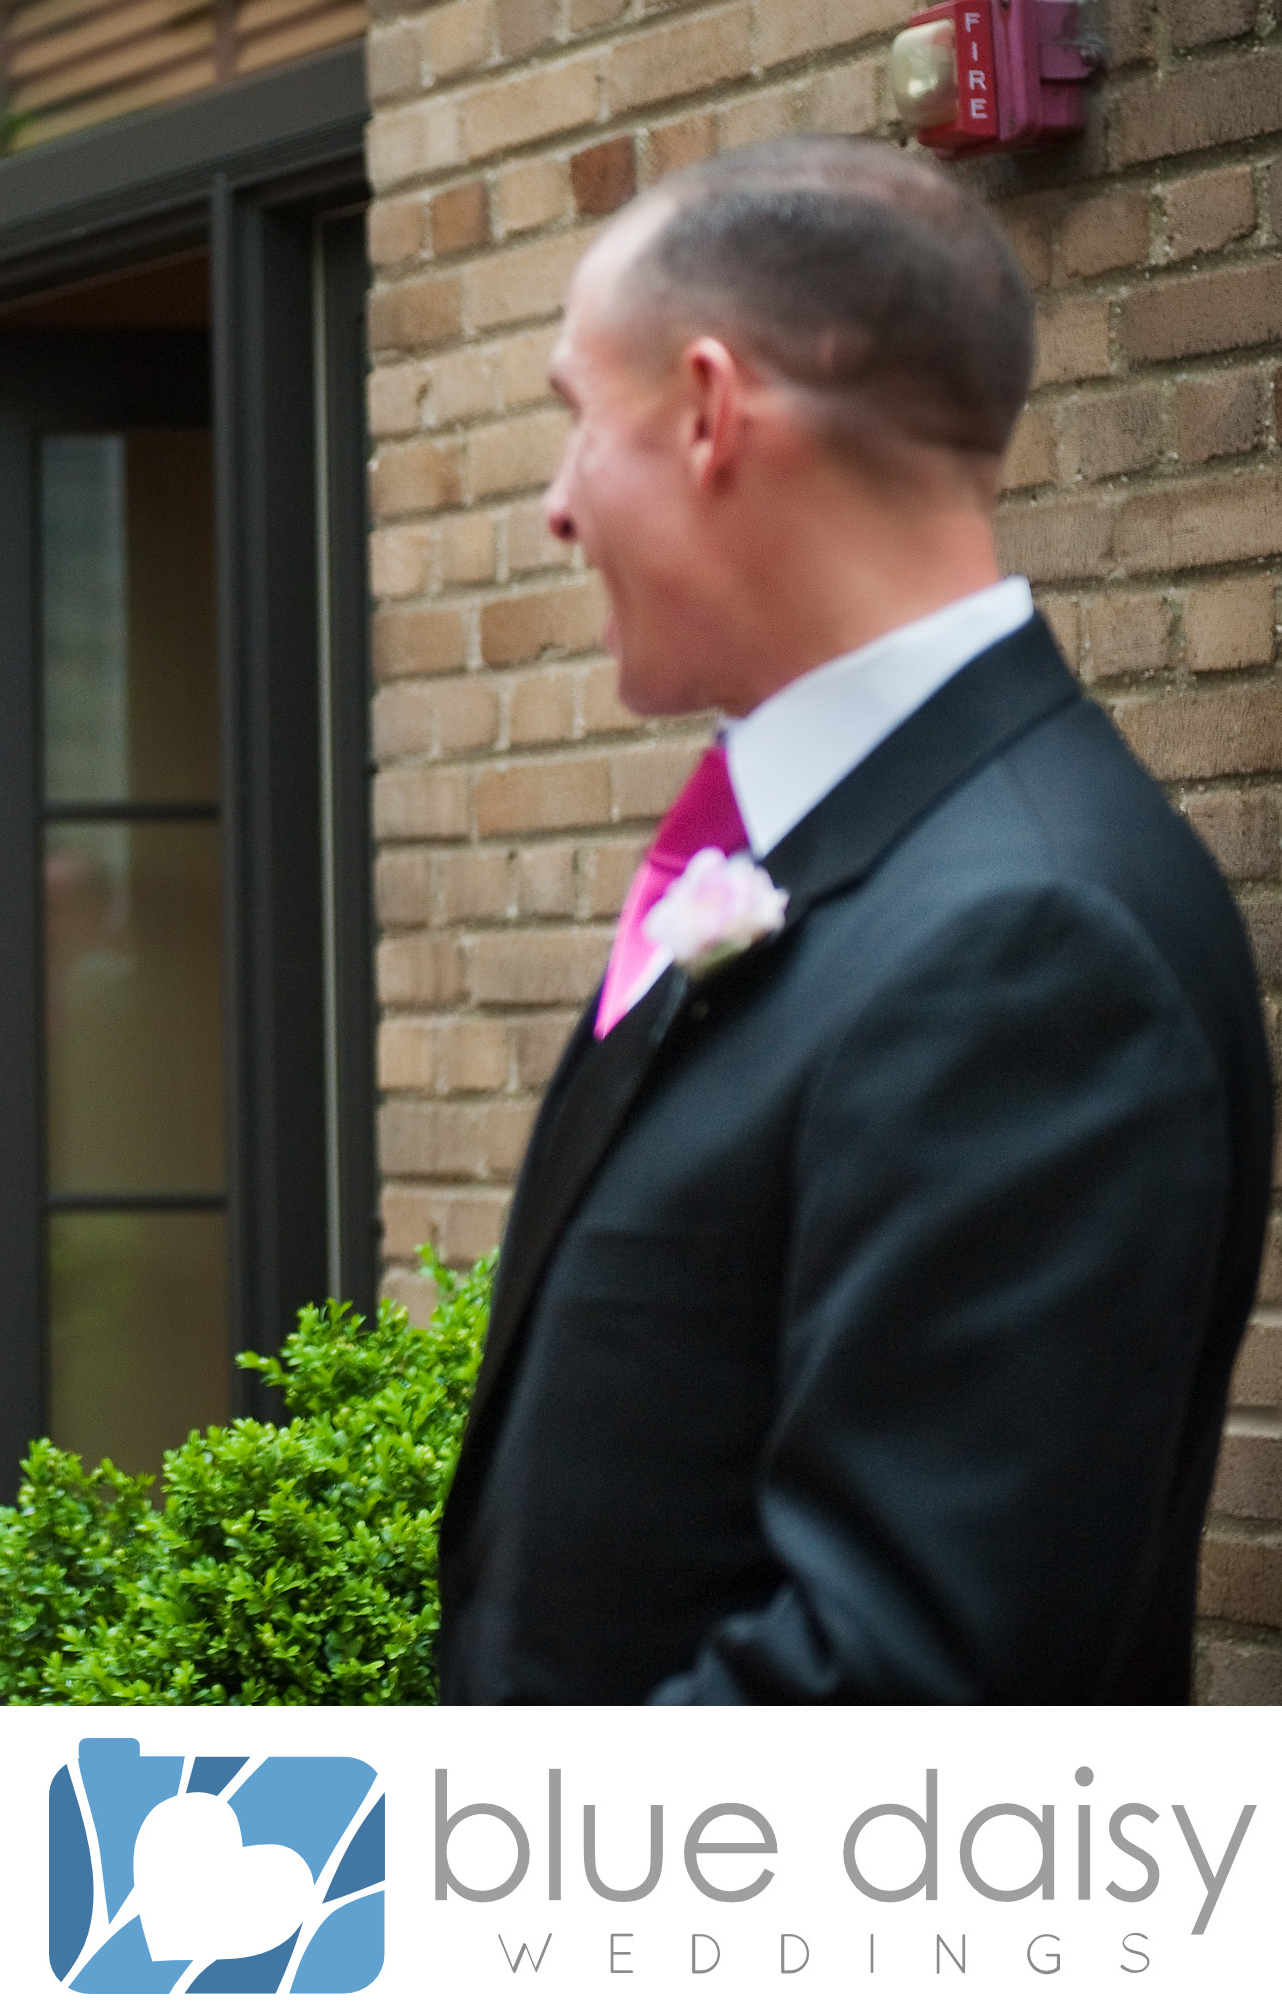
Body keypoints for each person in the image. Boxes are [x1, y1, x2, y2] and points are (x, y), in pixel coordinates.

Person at [436, 137, 1271, 1704]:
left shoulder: (1031, 944)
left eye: (572, 421)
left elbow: (899, 1692)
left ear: (706, 410)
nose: (555, 508)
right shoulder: (844, 855)